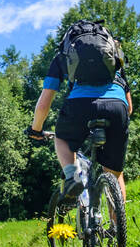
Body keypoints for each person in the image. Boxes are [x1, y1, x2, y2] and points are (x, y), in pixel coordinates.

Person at [26, 20, 133, 200]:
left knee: (62, 138)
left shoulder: (62, 56)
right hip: (117, 106)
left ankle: (72, 177)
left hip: (80, 105)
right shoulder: (115, 54)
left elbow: (44, 103)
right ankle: (117, 227)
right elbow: (129, 106)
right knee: (115, 175)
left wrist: (36, 129)